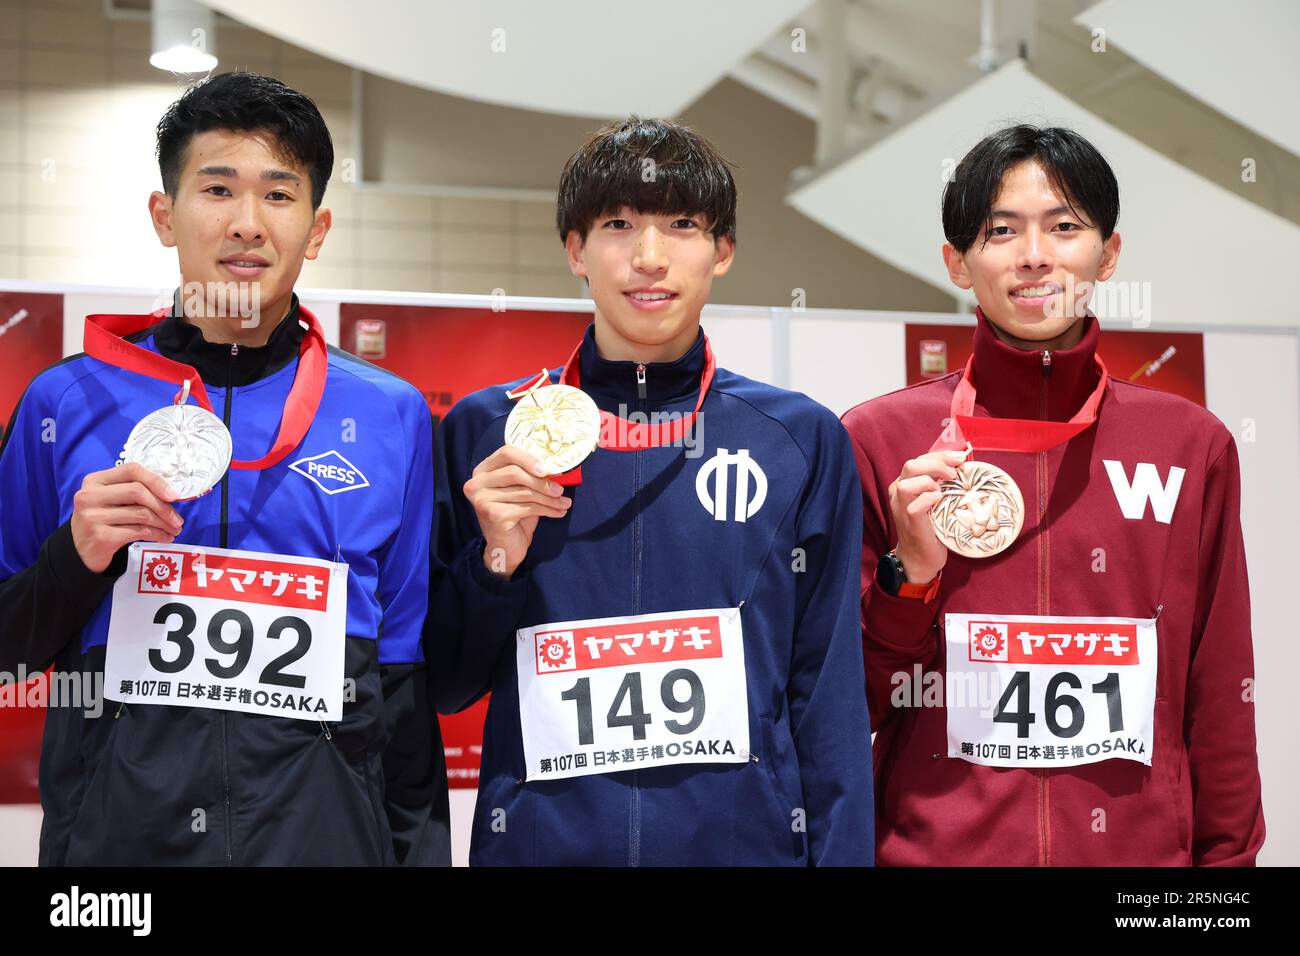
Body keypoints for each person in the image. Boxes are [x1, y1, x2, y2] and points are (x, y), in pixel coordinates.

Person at [0, 71, 448, 865]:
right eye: (216, 189)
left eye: (279, 195)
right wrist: (74, 559)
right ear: (164, 216)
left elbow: (404, 686)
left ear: (316, 229)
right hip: (118, 864)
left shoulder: (393, 415)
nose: (247, 224)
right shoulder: (62, 402)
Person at [427, 116, 873, 865]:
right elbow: (446, 684)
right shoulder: (490, 432)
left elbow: (826, 701)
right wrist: (496, 563)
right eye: (618, 224)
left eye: (683, 224)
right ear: (575, 249)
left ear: (723, 251)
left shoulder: (798, 439)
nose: (649, 256)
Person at [842, 124, 1265, 865]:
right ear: (958, 263)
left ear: (1108, 253)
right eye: (1000, 230)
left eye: (1065, 227)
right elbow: (847, 709)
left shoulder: (1189, 445)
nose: (1035, 255)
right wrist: (909, 579)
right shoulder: (880, 440)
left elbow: (1221, 691)